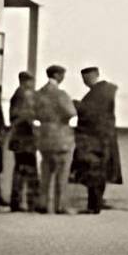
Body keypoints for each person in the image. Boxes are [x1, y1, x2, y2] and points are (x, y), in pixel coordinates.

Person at [70, 66, 122, 214]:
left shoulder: (96, 94)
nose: (85, 81)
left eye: (86, 78)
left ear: (95, 76)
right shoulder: (106, 91)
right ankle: (97, 202)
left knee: (93, 172)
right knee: (100, 172)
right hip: (105, 138)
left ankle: (94, 206)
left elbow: (89, 113)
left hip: (94, 140)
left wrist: (76, 104)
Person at [34, 65, 77, 214]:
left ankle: (43, 204)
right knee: (62, 173)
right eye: (62, 75)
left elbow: (34, 113)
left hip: (44, 136)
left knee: (45, 172)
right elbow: (71, 112)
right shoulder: (61, 94)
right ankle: (61, 205)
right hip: (61, 137)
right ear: (57, 75)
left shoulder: (39, 94)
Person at [7, 72, 40, 211]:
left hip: (18, 138)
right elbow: (26, 115)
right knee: (28, 170)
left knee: (20, 170)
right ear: (26, 82)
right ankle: (30, 201)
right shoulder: (24, 95)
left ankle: (17, 201)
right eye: (31, 82)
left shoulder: (16, 95)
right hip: (25, 138)